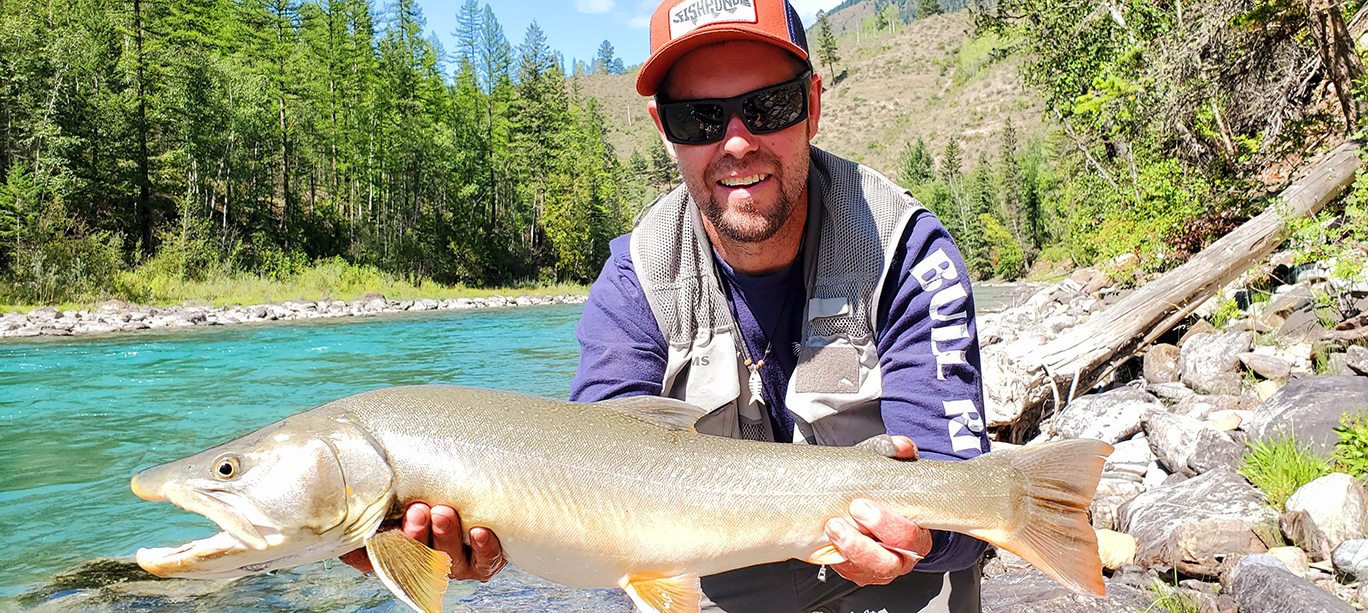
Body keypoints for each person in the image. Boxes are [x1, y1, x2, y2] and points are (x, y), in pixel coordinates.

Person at [345, 0, 990, 610]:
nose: (737, 142)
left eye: (770, 106)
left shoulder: (903, 248)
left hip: (897, 597)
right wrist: (494, 549)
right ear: (664, 130)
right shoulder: (637, 278)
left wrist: (924, 539)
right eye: (700, 119)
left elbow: (962, 492)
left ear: (813, 105)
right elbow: (588, 486)